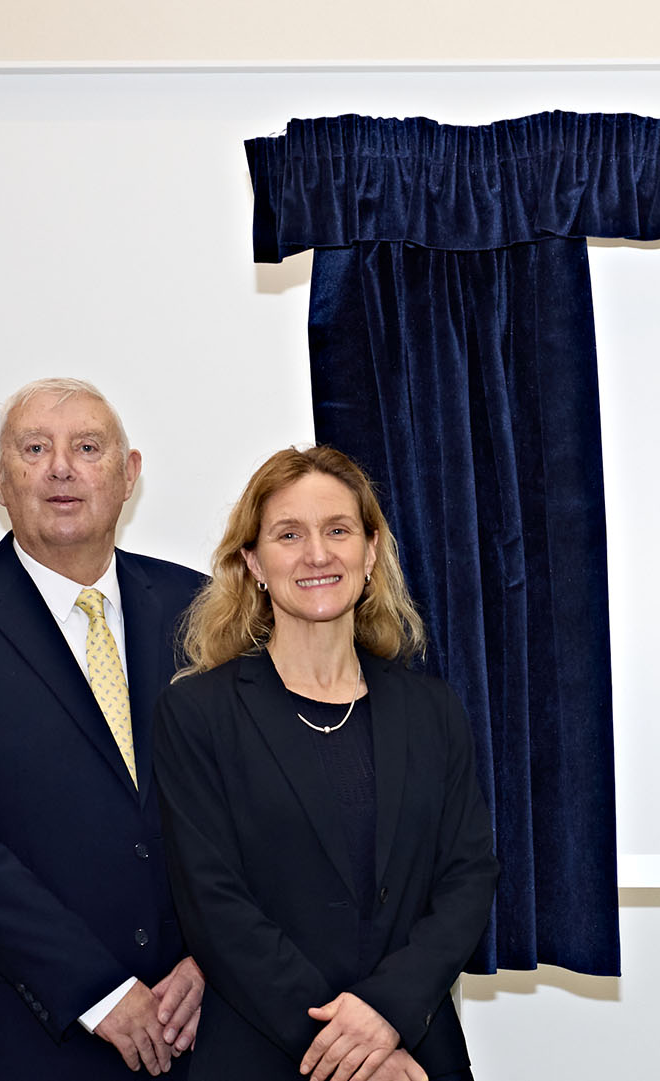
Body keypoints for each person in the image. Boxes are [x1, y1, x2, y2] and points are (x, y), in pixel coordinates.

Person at [0, 378, 206, 1079]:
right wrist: (98, 990)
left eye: (88, 447)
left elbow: (248, 810)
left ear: (129, 474)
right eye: (34, 449)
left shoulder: (200, 607)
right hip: (28, 1032)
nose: (62, 468)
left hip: (196, 1026)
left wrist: (214, 957)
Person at [152, 445, 496, 1081]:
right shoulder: (198, 713)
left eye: (338, 530)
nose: (317, 554)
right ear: (254, 562)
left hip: (415, 1050)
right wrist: (352, 1053)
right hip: (269, 1053)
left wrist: (387, 1013)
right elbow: (214, 906)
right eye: (289, 535)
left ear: (370, 552)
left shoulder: (432, 709)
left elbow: (468, 879)